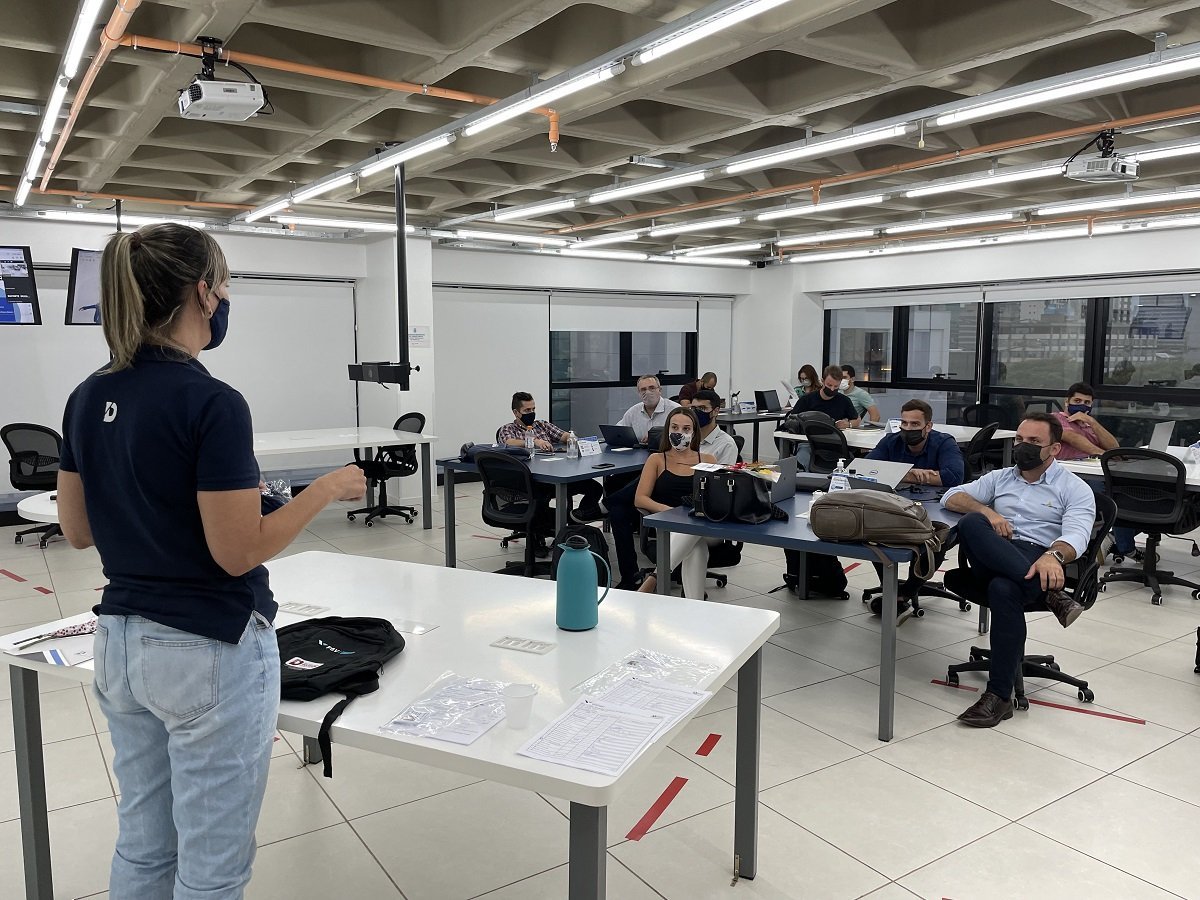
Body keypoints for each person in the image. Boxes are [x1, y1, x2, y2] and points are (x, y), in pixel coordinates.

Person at [54, 224, 368, 898]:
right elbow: (237, 553)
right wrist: (324, 490)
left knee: (143, 845)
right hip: (207, 650)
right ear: (202, 291)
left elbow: (77, 530)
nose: (226, 296)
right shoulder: (213, 403)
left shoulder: (85, 397)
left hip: (119, 643)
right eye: (223, 283)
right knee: (212, 866)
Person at [943, 413, 1097, 728]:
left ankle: (998, 697)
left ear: (1054, 449)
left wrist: (1053, 555)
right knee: (973, 522)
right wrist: (988, 512)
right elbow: (952, 496)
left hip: (1040, 558)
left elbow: (1077, 536)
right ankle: (1054, 595)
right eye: (1019, 440)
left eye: (1033, 442)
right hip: (997, 553)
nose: (1022, 447)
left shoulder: (1074, 488)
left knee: (1003, 590)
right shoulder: (1000, 478)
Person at [865, 399, 965, 606]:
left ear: (928, 426)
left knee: (934, 538)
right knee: (871, 530)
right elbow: (868, 469)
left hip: (935, 507)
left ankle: (908, 590)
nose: (907, 429)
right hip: (897, 504)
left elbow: (954, 477)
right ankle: (888, 587)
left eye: (915, 425)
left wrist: (897, 474)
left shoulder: (945, 442)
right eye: (904, 423)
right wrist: (913, 474)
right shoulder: (891, 441)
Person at [635, 408, 719, 600]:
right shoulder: (656, 459)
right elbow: (640, 498)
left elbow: (718, 498)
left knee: (693, 527)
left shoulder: (708, 460)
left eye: (686, 428)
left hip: (707, 527)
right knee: (696, 548)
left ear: (694, 432)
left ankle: (654, 579)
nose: (679, 432)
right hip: (670, 527)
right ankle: (694, 608)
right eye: (674, 427)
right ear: (667, 430)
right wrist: (670, 512)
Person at [498, 392, 604, 517]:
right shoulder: (508, 429)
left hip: (554, 474)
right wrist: (534, 441)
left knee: (595, 488)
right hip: (531, 480)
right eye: (527, 410)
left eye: (533, 409)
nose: (531, 412)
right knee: (541, 498)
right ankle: (541, 527)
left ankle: (578, 517)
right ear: (516, 413)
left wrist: (571, 437)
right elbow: (508, 442)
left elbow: (563, 435)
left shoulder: (541, 425)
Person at [1053, 383, 1119, 461]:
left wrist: (1092, 422)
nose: (1082, 405)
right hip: (1071, 466)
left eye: (1087, 402)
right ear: (1067, 402)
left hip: (1096, 465)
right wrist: (1105, 455)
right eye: (1077, 401)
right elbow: (1072, 438)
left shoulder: (1090, 424)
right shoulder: (1056, 418)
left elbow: (1114, 448)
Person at [615, 374, 679, 444]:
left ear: (660, 390)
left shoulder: (675, 410)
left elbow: (684, 433)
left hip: (666, 452)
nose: (647, 392)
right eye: (643, 389)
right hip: (638, 452)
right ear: (639, 393)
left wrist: (658, 435)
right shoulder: (633, 411)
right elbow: (618, 432)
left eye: (652, 388)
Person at [792, 365, 859, 429]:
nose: (832, 389)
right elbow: (792, 419)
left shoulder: (844, 401)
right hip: (808, 438)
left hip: (834, 438)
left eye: (836, 386)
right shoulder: (806, 399)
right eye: (829, 385)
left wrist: (848, 424)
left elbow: (857, 420)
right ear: (823, 381)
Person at [691, 388, 739, 464]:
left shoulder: (726, 444)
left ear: (716, 411)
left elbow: (722, 475)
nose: (696, 412)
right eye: (693, 408)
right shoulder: (687, 437)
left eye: (702, 408)